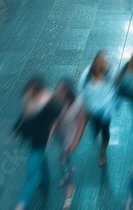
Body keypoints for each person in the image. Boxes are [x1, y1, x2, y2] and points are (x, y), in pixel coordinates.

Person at [9, 77, 59, 210]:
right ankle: (46, 179)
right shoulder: (29, 99)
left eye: (30, 95)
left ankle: (22, 203)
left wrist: (50, 134)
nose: (26, 100)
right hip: (33, 136)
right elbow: (24, 116)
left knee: (32, 171)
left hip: (39, 140)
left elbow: (54, 120)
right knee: (41, 159)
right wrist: (15, 131)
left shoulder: (49, 105)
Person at [52, 79, 87, 210]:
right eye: (57, 89)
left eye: (60, 91)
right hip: (60, 137)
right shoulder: (55, 101)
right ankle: (69, 172)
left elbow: (82, 122)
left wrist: (75, 142)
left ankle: (69, 192)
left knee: (63, 162)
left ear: (67, 93)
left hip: (70, 140)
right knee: (63, 158)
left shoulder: (77, 104)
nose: (56, 92)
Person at [79, 52, 117, 167]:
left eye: (104, 64)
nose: (103, 66)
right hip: (93, 112)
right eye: (100, 64)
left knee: (105, 132)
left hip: (105, 113)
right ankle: (96, 134)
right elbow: (81, 91)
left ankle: (103, 154)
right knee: (95, 129)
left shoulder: (110, 74)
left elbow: (114, 91)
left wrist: (111, 106)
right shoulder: (87, 75)